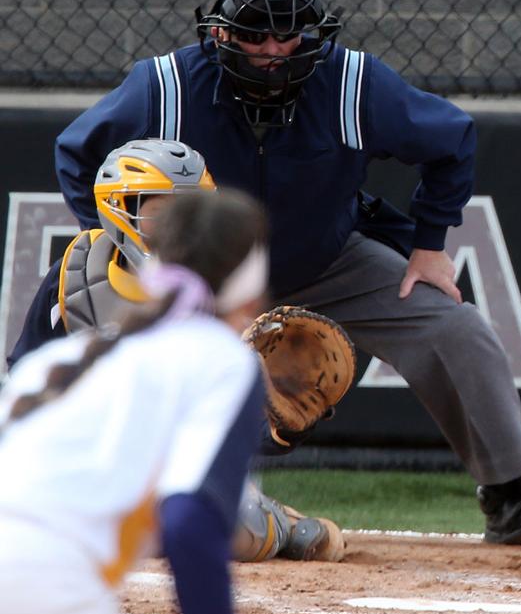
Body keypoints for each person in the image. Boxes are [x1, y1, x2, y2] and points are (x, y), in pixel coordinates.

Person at [53, 0, 521, 545]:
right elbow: (77, 153)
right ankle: (124, 486)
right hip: (206, 276)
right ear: (219, 34)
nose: (274, 50)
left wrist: (429, 245)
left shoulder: (352, 81)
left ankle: (511, 493)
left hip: (329, 261)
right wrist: (125, 247)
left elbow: (452, 140)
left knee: (456, 329)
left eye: (288, 34)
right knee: (114, 330)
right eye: (256, 35)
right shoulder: (166, 87)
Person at [8, 138, 345, 563]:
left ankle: (278, 522)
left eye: (190, 210)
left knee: (229, 531)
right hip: (87, 451)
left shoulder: (219, 288)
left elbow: (229, 432)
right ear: (118, 208)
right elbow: (25, 375)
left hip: (177, 462)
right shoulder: (76, 274)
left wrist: (282, 427)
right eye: (162, 211)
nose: (180, 226)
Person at [0, 188, 269, 614]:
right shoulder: (221, 358)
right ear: (250, 283)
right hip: (36, 585)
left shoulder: (67, 355)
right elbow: (189, 524)